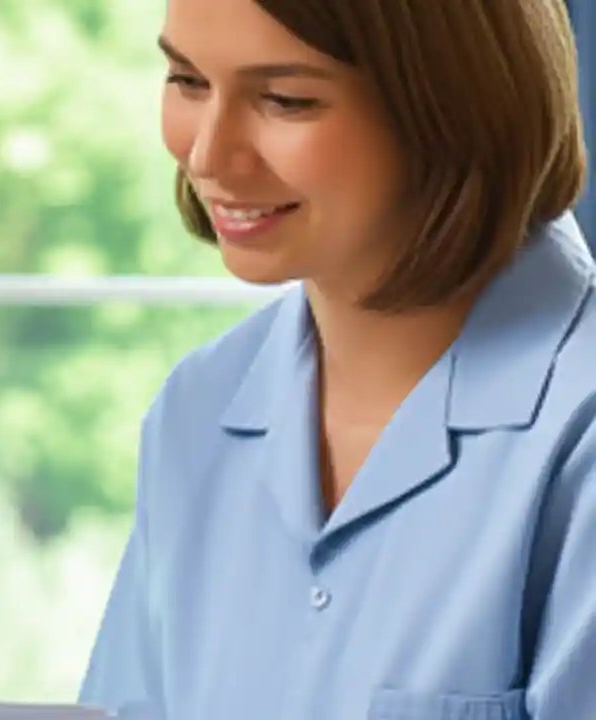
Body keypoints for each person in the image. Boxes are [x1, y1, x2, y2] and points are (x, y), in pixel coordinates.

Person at [80, 0, 595, 718]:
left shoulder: (579, 438)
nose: (207, 154)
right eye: (188, 81)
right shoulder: (197, 409)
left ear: (454, 107)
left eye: (286, 100)